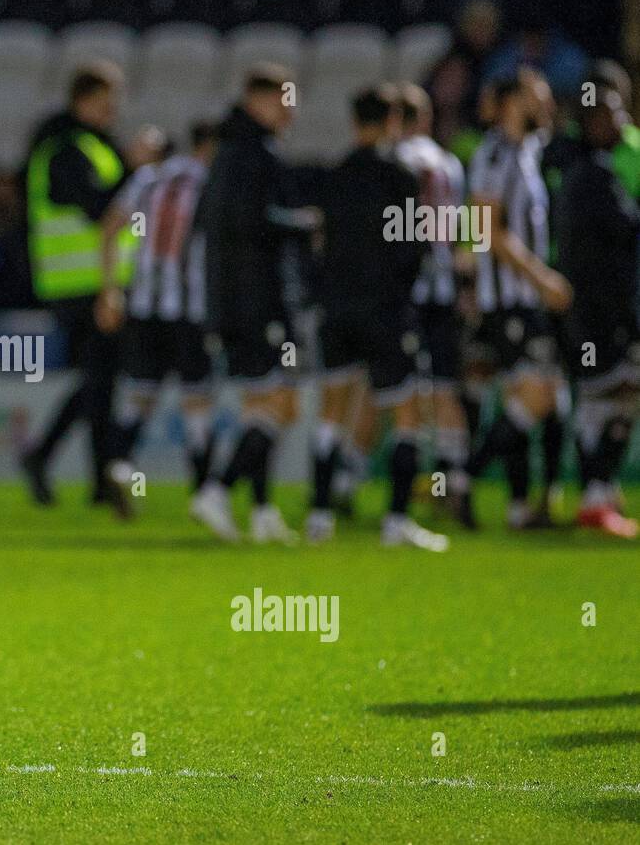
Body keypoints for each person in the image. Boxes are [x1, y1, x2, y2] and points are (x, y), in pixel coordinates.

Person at [304, 88, 448, 551]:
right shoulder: (399, 176)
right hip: (386, 312)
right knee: (405, 416)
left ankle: (320, 516)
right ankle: (396, 522)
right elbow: (414, 248)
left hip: (338, 311)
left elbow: (319, 247)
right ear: (392, 121)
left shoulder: (333, 175)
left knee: (331, 414)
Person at [191, 65, 317, 544]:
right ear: (258, 100)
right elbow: (251, 221)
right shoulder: (254, 154)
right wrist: (303, 224)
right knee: (281, 402)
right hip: (256, 300)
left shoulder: (229, 152)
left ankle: (262, 510)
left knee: (257, 406)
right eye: (285, 99)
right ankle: (217, 490)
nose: (291, 110)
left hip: (230, 299)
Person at [455, 74, 573, 530]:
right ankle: (465, 477)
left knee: (532, 398)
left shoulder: (528, 150)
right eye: (537, 95)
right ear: (512, 103)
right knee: (541, 393)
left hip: (523, 301)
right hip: (508, 300)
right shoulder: (494, 153)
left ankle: (520, 507)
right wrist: (542, 278)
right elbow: (487, 228)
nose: (547, 103)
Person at [19, 63, 130, 507]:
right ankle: (53, 460)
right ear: (83, 101)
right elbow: (99, 207)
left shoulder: (82, 146)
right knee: (100, 379)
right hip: (82, 284)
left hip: (89, 282)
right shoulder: (67, 150)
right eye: (105, 101)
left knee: (99, 381)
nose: (112, 110)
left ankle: (92, 477)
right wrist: (134, 174)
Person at [98, 121, 219, 519]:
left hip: (144, 306)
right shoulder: (212, 184)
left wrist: (111, 289)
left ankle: (120, 464)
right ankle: (203, 491)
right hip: (189, 309)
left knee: (140, 393)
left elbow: (110, 228)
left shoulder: (150, 178)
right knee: (197, 402)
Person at [558, 89, 640, 537]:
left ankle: (598, 494)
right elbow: (618, 242)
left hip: (589, 310)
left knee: (597, 399)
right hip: (603, 313)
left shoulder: (581, 175)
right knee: (618, 393)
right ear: (594, 124)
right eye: (615, 114)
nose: (624, 120)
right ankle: (596, 492)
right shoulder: (596, 179)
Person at [395, 84, 472, 508]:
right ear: (424, 118)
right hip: (442, 290)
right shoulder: (449, 164)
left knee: (395, 391)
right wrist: (468, 283)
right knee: (444, 386)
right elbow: (466, 230)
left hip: (404, 295)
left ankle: (344, 484)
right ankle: (453, 480)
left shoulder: (393, 163)